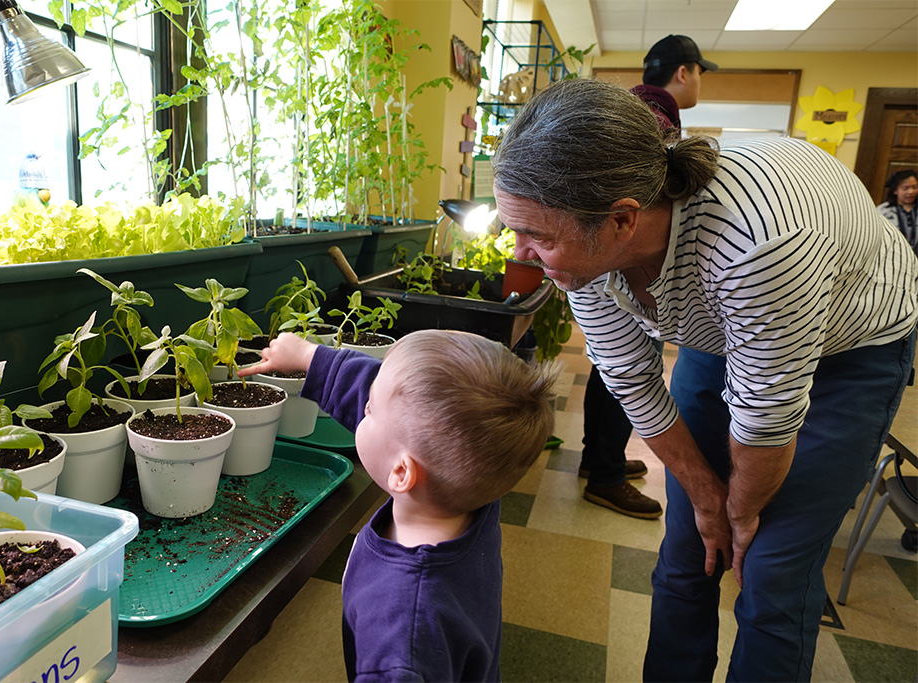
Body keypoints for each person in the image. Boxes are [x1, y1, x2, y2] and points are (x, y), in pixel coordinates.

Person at [491, 77, 917, 681]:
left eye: (537, 235)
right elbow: (633, 383)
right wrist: (707, 497)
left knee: (769, 570)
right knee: (690, 547)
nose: (521, 253)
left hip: (854, 346)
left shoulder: (757, 246)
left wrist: (740, 511)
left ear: (622, 219)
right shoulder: (588, 255)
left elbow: (764, 424)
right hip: (726, 324)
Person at [238, 330, 556, 681]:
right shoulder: (472, 487)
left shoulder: (404, 635)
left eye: (370, 409)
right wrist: (310, 357)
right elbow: (396, 409)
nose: (363, 405)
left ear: (402, 472)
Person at [578, 34, 718, 520]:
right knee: (624, 366)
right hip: (625, 269)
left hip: (622, 266)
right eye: (699, 72)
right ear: (684, 72)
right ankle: (605, 472)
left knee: (616, 367)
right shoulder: (653, 110)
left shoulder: (637, 105)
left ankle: (602, 460)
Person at [878, 169, 918, 257]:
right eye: (905, 188)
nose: (911, 192)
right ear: (895, 190)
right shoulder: (883, 210)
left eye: (915, 187)